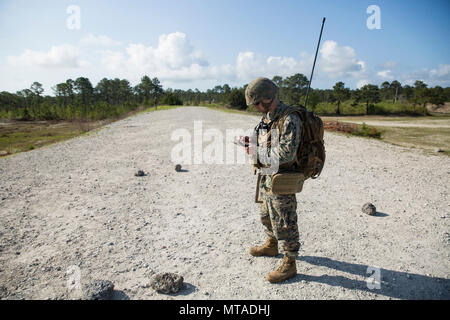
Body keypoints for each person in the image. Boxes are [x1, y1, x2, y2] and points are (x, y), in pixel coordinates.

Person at [241, 77, 302, 283]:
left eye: (257, 103)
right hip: (268, 175)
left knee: (285, 219)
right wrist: (252, 143)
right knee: (267, 215)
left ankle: (290, 262)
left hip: (283, 178)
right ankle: (271, 244)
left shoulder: (290, 118)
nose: (256, 107)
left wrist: (256, 153)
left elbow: (287, 153)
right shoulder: (268, 117)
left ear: (268, 97)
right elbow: (267, 142)